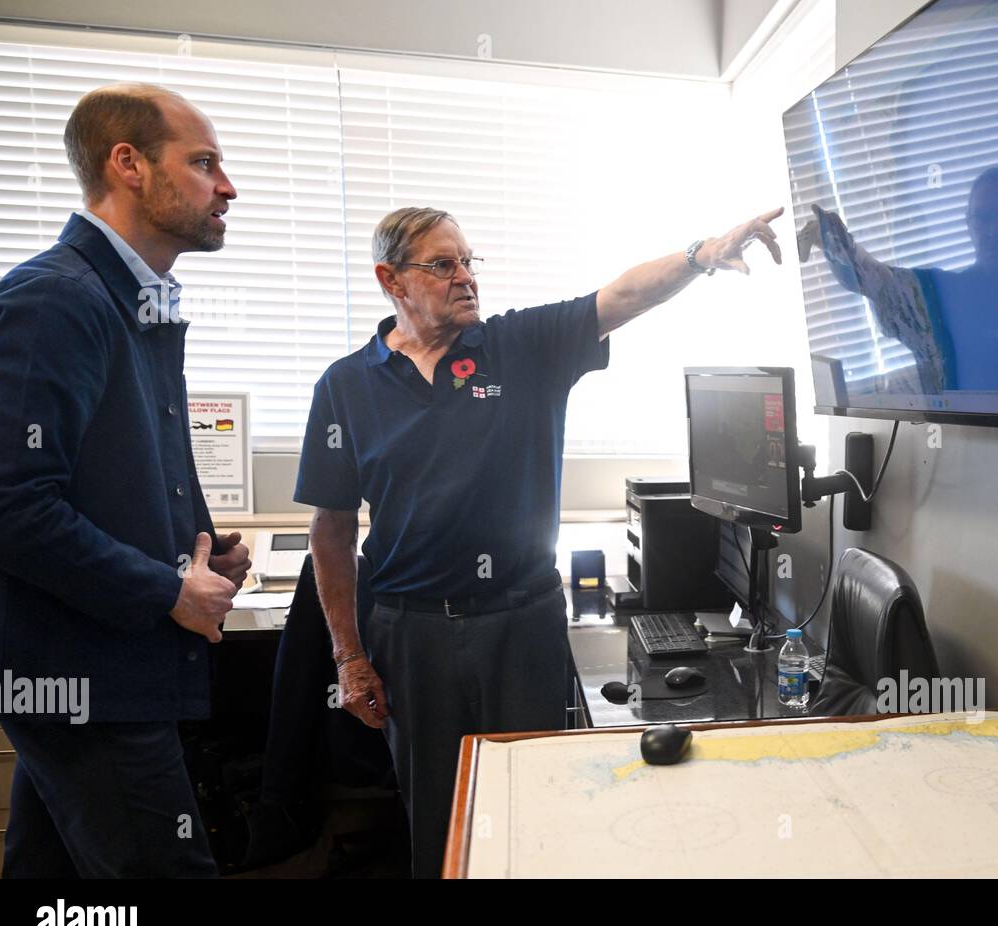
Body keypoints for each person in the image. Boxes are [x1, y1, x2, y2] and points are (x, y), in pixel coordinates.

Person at [296, 204, 783, 877]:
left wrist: (700, 255)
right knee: (441, 820)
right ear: (392, 280)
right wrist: (349, 655)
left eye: (470, 261)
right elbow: (331, 527)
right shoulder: (346, 387)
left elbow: (621, 296)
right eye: (444, 264)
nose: (466, 277)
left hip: (520, 622)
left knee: (536, 811)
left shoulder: (520, 347)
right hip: (412, 634)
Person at [0, 83, 251, 877]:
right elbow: (5, 500)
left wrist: (201, 552)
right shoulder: (59, 299)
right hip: (86, 677)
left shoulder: (134, 300)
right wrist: (167, 590)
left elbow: (129, 461)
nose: (227, 186)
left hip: (91, 675)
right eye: (203, 163)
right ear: (128, 164)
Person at [797, 165, 998, 395]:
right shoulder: (941, 294)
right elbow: (872, 279)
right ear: (969, 224)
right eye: (983, 218)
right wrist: (831, 240)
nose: (994, 231)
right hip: (961, 442)